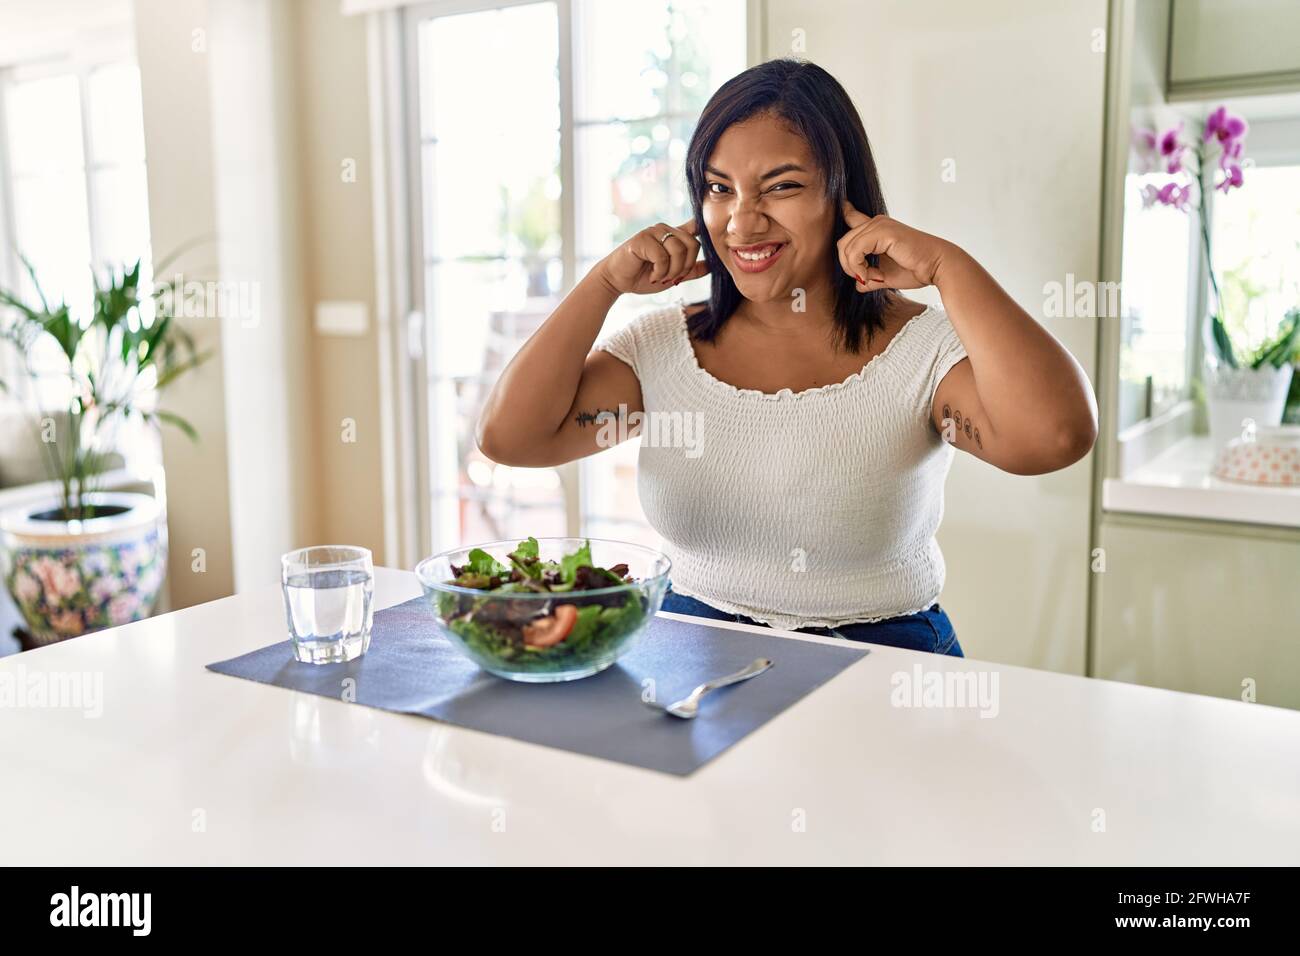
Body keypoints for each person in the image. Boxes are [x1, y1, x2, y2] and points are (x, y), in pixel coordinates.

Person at [476, 59, 1097, 657]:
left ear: (841, 194)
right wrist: (602, 285)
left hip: (882, 664)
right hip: (690, 658)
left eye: (782, 187)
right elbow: (511, 439)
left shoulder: (922, 350)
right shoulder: (662, 346)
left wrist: (947, 268)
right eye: (720, 189)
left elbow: (1056, 436)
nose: (742, 223)